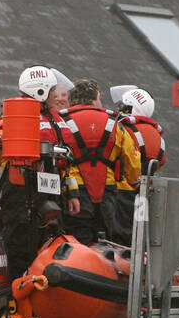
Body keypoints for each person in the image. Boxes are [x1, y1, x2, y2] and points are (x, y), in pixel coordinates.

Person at [0, 66, 79, 281]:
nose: (57, 95)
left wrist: (72, 194)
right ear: (40, 92)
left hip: (50, 192)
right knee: (20, 243)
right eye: (52, 90)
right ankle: (16, 294)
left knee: (48, 240)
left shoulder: (56, 119)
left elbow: (66, 161)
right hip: (22, 190)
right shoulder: (17, 116)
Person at [54, 78, 141, 245]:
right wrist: (132, 178)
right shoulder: (114, 123)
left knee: (76, 240)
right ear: (94, 99)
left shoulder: (61, 121)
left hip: (73, 192)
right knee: (106, 241)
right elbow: (132, 160)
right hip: (107, 194)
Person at [110, 87, 164, 241]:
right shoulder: (158, 137)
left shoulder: (123, 131)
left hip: (120, 193)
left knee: (117, 241)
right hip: (145, 196)